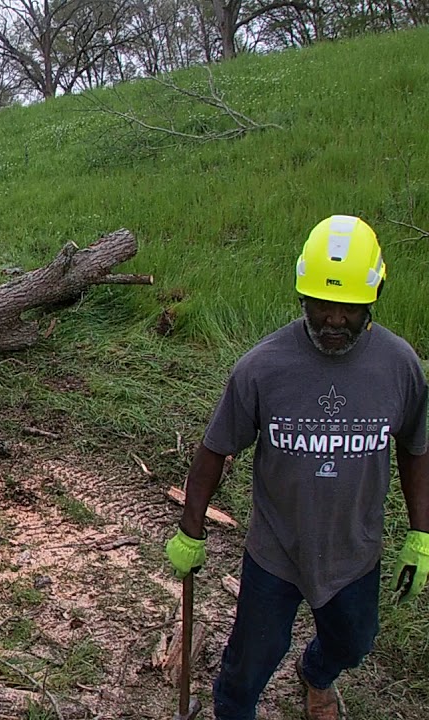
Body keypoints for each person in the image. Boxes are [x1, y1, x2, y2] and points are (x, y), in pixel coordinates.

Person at [165, 215, 429, 720]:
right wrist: (191, 528)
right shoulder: (263, 367)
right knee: (250, 664)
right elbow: (216, 449)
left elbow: (416, 447)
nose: (332, 318)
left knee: (354, 643)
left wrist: (421, 535)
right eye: (319, 304)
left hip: (356, 551)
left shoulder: (400, 367)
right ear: (301, 296)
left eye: (347, 308)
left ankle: (317, 674)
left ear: (372, 298)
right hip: (276, 552)